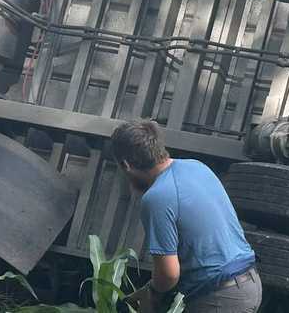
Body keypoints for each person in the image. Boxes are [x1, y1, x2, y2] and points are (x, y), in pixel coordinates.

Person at [110, 119, 261, 313]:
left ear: (126, 165)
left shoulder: (156, 197)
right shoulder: (196, 167)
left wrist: (152, 294)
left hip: (221, 296)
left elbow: (169, 275)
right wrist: (149, 290)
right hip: (249, 283)